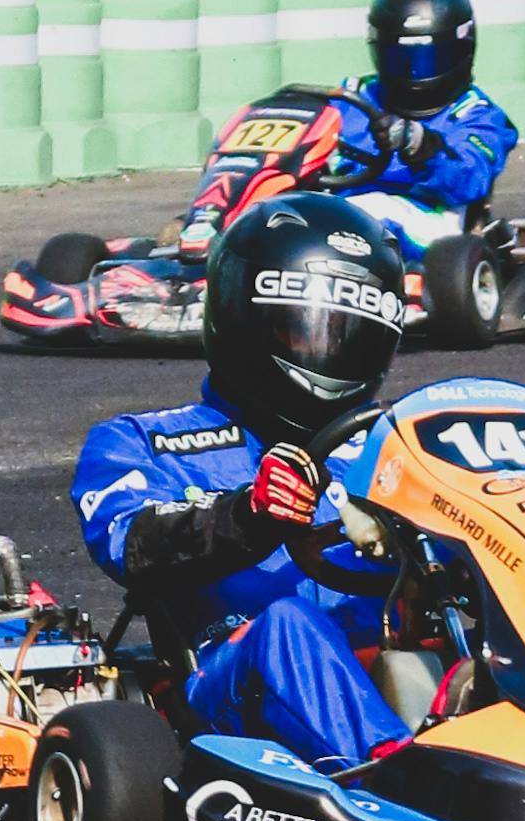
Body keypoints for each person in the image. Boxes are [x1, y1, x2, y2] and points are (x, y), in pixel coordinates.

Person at [73, 196, 419, 766]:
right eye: (304, 332)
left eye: (352, 336)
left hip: (391, 665)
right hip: (230, 683)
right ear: (241, 317)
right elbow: (129, 542)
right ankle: (400, 781)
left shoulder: (396, 446)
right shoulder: (141, 442)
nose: (329, 352)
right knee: (289, 626)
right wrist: (247, 518)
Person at [181, 0, 517, 256]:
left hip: (430, 223)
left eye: (427, 57)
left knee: (361, 216)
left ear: (461, 46)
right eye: (400, 58)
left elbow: (470, 178)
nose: (413, 71)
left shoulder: (477, 114)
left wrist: (418, 143)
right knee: (271, 215)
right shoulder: (355, 97)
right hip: (339, 211)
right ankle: (208, 242)